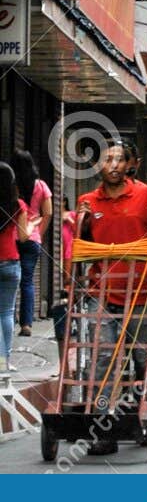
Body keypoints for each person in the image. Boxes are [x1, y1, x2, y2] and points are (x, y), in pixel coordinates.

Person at [75, 141, 147, 455]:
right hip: (102, 294)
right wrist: (84, 222)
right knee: (102, 360)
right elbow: (81, 246)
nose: (113, 165)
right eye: (107, 160)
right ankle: (104, 429)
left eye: (119, 160)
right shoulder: (87, 201)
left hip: (142, 293)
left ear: (129, 165)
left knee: (143, 361)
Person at [12, 150, 51, 337]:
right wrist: (38, 233)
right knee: (27, 281)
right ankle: (26, 324)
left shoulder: (11, 186)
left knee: (10, 279)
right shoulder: (41, 185)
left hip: (12, 237)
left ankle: (8, 317)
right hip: (32, 237)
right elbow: (48, 213)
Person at [0, 163, 28, 375]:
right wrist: (33, 226)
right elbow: (23, 237)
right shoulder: (17, 205)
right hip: (10, 261)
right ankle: (4, 362)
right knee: (7, 313)